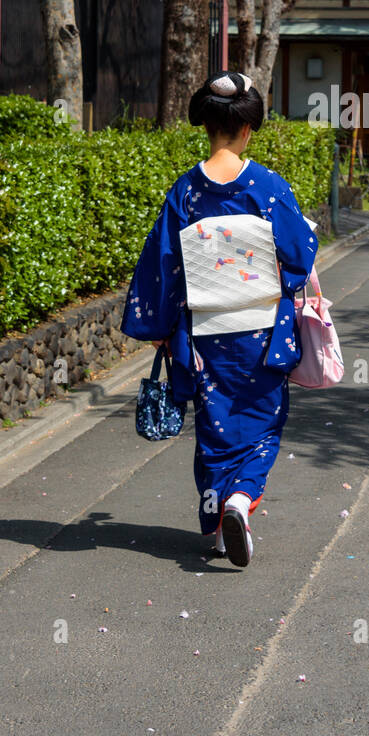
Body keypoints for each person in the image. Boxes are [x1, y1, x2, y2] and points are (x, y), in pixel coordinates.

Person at [120, 70, 318, 569]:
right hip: (260, 331)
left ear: (207, 125)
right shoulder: (267, 186)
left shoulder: (185, 192)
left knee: (214, 427)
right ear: (248, 128)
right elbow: (299, 253)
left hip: (205, 335)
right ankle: (238, 502)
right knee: (262, 424)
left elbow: (162, 264)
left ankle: (217, 526)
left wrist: (160, 327)